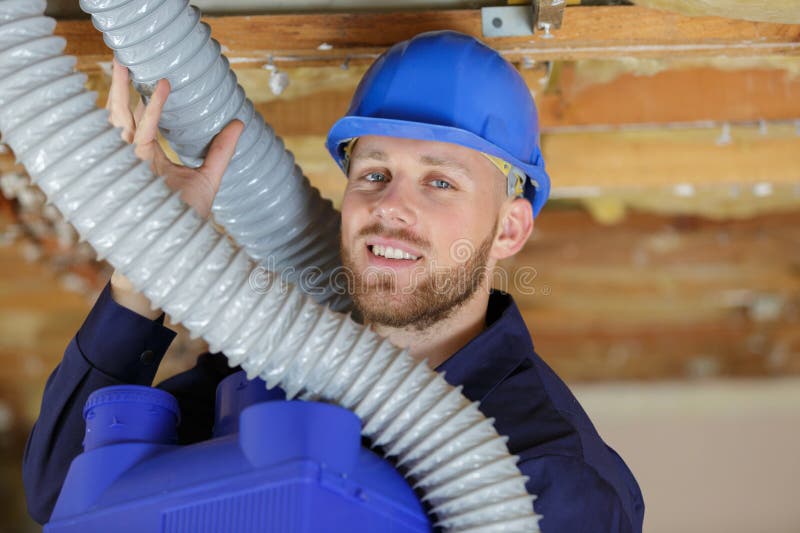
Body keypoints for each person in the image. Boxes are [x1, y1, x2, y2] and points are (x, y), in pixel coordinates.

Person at [23, 31, 644, 531]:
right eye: (375, 174)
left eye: (440, 182)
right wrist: (149, 264)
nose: (391, 208)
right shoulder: (277, 367)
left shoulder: (548, 472)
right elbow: (66, 496)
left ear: (509, 230)